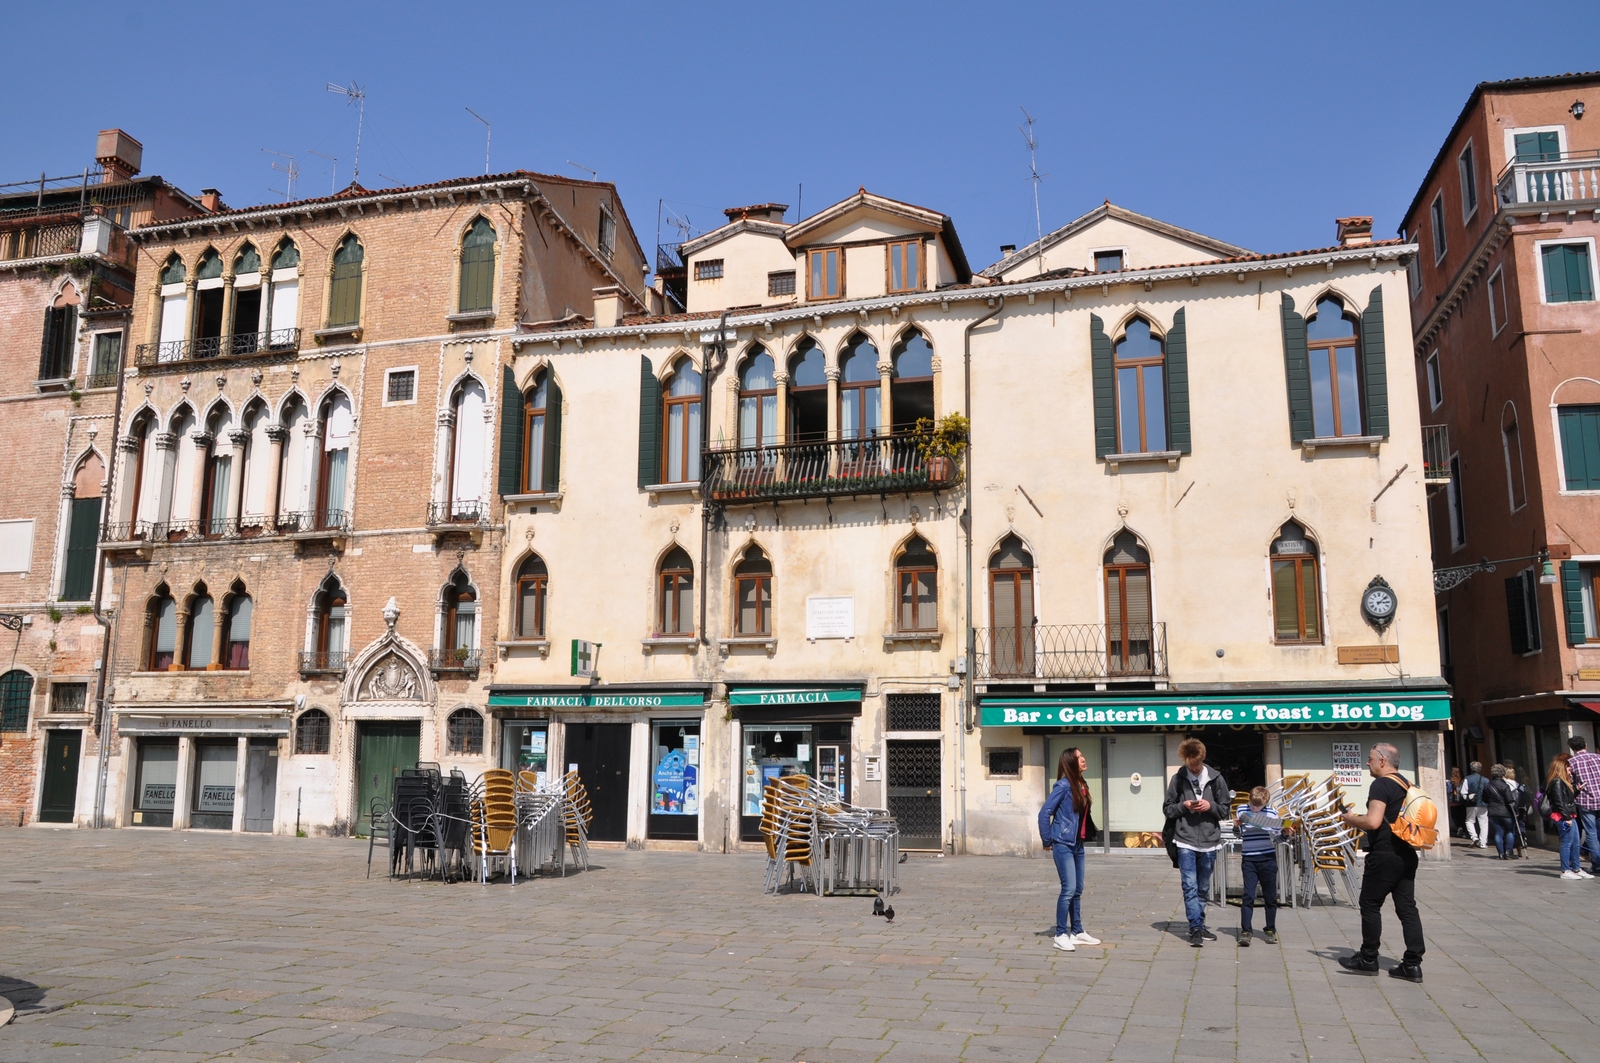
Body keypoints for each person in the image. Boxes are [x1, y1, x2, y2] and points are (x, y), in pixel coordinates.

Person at [1337, 742, 1425, 982]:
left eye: (1370, 758)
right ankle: (1413, 964)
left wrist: (1351, 819)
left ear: (1383, 761)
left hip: (1385, 854)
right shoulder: (1407, 785)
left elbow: (1374, 822)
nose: (1367, 763)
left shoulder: (1381, 784)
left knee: (1369, 904)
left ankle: (1368, 958)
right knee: (1407, 908)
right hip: (1407, 853)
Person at [1162, 737, 1230, 947]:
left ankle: (1199, 924)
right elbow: (1167, 809)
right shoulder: (1178, 779)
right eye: (1190, 764)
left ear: (1202, 759)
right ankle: (1195, 928)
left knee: (1202, 888)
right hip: (1185, 840)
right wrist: (1183, 806)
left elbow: (1225, 809)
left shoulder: (1217, 778)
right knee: (1189, 886)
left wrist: (1209, 806)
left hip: (1210, 841)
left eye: (1196, 764)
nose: (1193, 768)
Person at [1038, 747, 1099, 952]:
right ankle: (1060, 934)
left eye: (1083, 756)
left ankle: (1078, 931)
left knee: (1077, 890)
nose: (1083, 759)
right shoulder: (1064, 786)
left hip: (1078, 844)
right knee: (1068, 889)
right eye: (1079, 757)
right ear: (1071, 763)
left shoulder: (1081, 784)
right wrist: (1048, 840)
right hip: (1063, 843)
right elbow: (1044, 813)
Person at [1233, 785, 1291, 946]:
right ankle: (1246, 931)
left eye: (1257, 806)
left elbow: (1277, 839)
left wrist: (1285, 834)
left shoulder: (1271, 813)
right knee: (1248, 895)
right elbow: (1238, 835)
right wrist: (1236, 826)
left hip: (1267, 858)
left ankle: (1270, 929)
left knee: (1270, 896)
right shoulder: (1242, 810)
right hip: (1249, 859)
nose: (1254, 808)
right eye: (1252, 804)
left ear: (1265, 804)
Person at [1567, 736, 1600, 876]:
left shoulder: (1571, 762)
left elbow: (1571, 784)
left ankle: (1597, 864)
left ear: (1572, 748)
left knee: (1591, 833)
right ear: (1585, 745)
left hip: (1586, 801)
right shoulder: (1598, 758)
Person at [1546, 755, 1583, 880]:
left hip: (1570, 814)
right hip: (1563, 816)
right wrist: (1566, 817)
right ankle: (1565, 870)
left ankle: (1576, 868)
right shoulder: (1556, 782)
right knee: (1567, 843)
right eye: (1568, 767)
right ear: (1562, 768)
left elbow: (1568, 799)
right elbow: (1558, 802)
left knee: (1576, 842)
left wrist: (1577, 790)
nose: (1570, 769)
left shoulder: (1564, 781)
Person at [1482, 764, 1519, 859]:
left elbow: (1484, 799)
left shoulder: (1487, 785)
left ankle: (1501, 854)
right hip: (1505, 813)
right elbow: (1510, 800)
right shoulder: (1505, 786)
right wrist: (1516, 811)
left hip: (1493, 812)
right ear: (1503, 773)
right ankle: (1508, 851)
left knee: (1498, 833)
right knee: (1509, 831)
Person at [1461, 761, 1488, 848]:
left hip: (1471, 804)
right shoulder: (1486, 780)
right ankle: (1483, 843)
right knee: (1484, 824)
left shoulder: (1467, 779)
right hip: (1483, 803)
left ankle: (1474, 838)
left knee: (1469, 821)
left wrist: (1468, 798)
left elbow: (1463, 792)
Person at [1447, 767, 1465, 839]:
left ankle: (1458, 827)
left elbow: (1449, 791)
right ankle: (1463, 830)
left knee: (1455, 817)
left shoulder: (1451, 782)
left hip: (1453, 803)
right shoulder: (1462, 781)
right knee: (1462, 818)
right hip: (1461, 802)